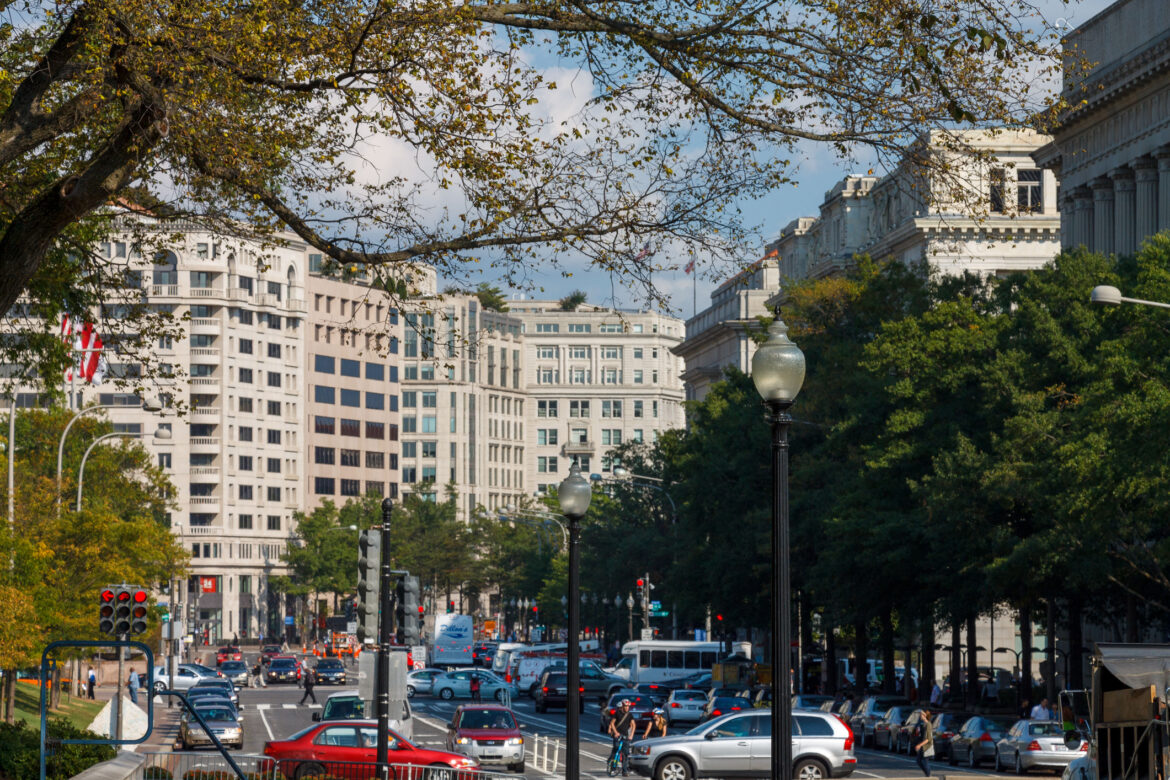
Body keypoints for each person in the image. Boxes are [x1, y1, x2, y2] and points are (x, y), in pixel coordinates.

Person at [607, 699, 636, 776]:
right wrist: (615, 732)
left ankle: (624, 771)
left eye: (628, 706)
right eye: (626, 706)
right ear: (622, 706)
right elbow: (612, 723)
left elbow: (633, 725)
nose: (627, 708)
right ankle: (612, 764)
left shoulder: (629, 715)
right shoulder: (617, 713)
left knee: (625, 753)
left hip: (625, 735)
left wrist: (631, 735)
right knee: (616, 747)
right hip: (617, 735)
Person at [913, 708, 934, 777]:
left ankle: (929, 776)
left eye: (921, 714)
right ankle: (927, 775)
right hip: (923, 746)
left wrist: (919, 745)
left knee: (924, 761)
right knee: (919, 760)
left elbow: (928, 739)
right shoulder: (923, 724)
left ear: (924, 715)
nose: (920, 715)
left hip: (927, 746)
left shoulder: (928, 724)